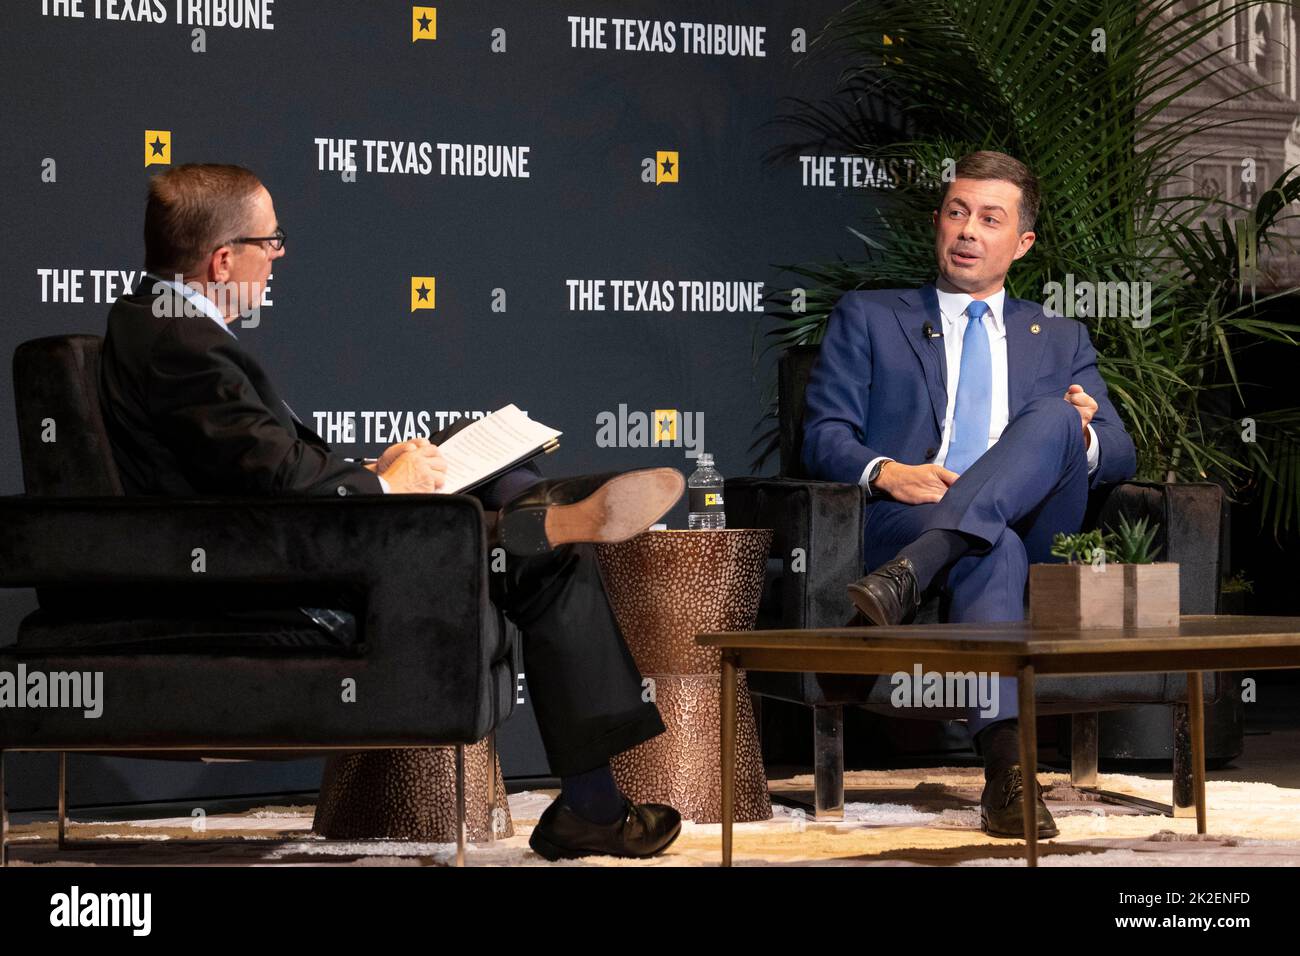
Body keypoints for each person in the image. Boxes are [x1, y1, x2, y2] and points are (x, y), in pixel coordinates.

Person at [99, 163, 684, 861]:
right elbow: (275, 478)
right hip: (266, 574)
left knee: (507, 489)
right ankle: (590, 794)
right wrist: (379, 489)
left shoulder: (163, 325)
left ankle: (526, 514)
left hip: (282, 540)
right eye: (272, 242)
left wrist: (372, 473)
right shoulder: (181, 344)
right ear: (224, 259)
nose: (278, 258)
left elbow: (253, 466)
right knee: (544, 554)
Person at [800, 151, 1137, 838]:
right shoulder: (871, 316)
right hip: (906, 517)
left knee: (1055, 417)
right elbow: (824, 436)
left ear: (1022, 243)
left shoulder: (1060, 336)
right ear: (938, 224)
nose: (968, 232)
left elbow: (1123, 453)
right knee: (995, 547)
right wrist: (888, 470)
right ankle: (1009, 777)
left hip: (1022, 527)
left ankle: (921, 569)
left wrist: (1081, 433)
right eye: (957, 213)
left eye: (990, 219)